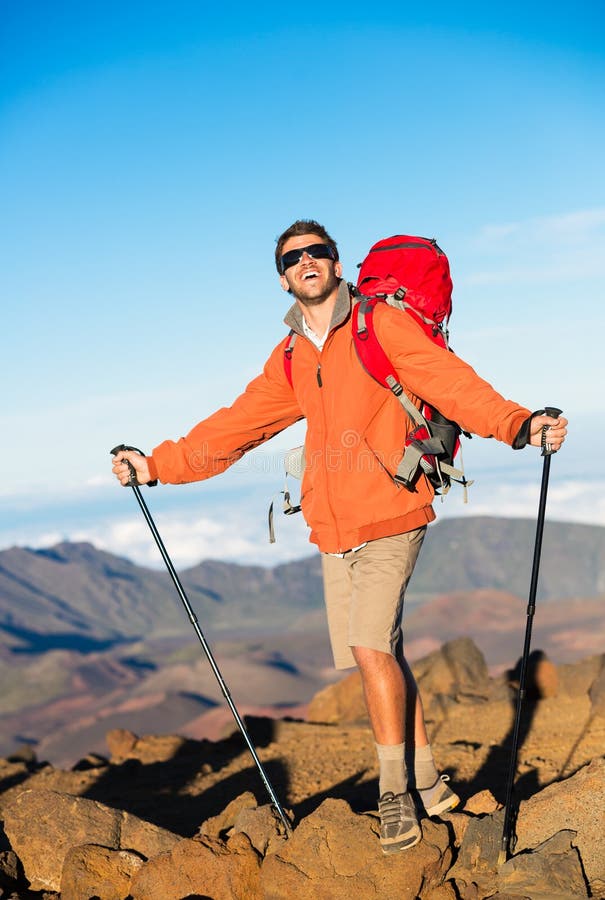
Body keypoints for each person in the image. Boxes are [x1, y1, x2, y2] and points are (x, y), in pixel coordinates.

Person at [112, 220, 567, 854]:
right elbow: (235, 428)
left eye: (316, 252)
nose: (306, 262)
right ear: (282, 277)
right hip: (331, 523)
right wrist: (157, 466)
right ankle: (430, 780)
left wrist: (518, 423)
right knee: (375, 652)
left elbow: (450, 383)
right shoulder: (294, 355)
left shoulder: (380, 325)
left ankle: (395, 794)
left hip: (391, 510)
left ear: (334, 261)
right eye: (292, 257)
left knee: (371, 645)